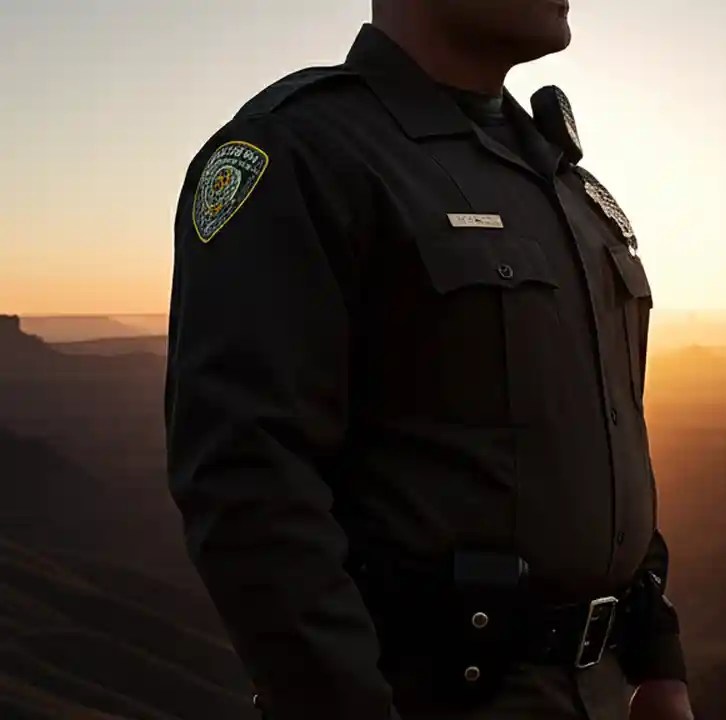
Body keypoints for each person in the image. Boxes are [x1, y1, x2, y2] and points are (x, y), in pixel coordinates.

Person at [164, 1, 692, 719]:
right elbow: (248, 482)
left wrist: (658, 662)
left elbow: (612, 434)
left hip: (600, 692)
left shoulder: (565, 184)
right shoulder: (305, 152)